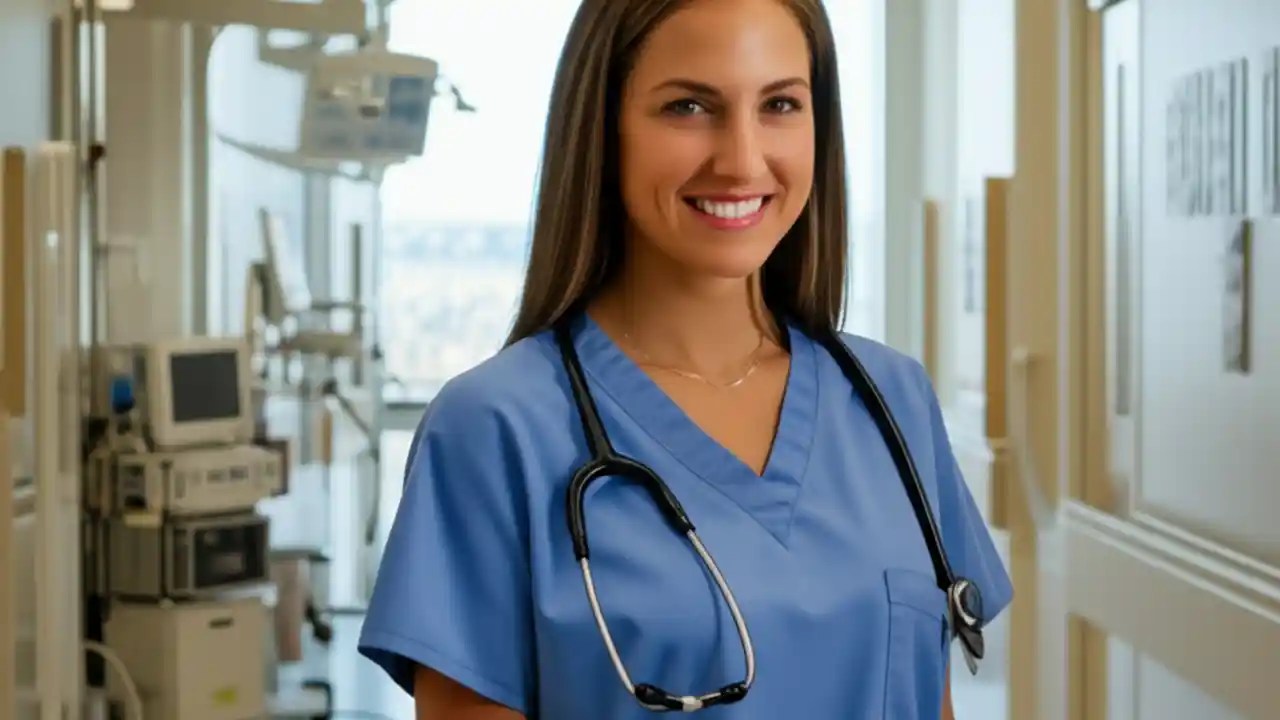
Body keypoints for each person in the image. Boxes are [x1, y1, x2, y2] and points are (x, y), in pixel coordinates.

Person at [358, 0, 1013, 717]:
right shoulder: (496, 428)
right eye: (690, 106)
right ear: (603, 129)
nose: (741, 160)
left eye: (781, 104)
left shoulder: (891, 400)